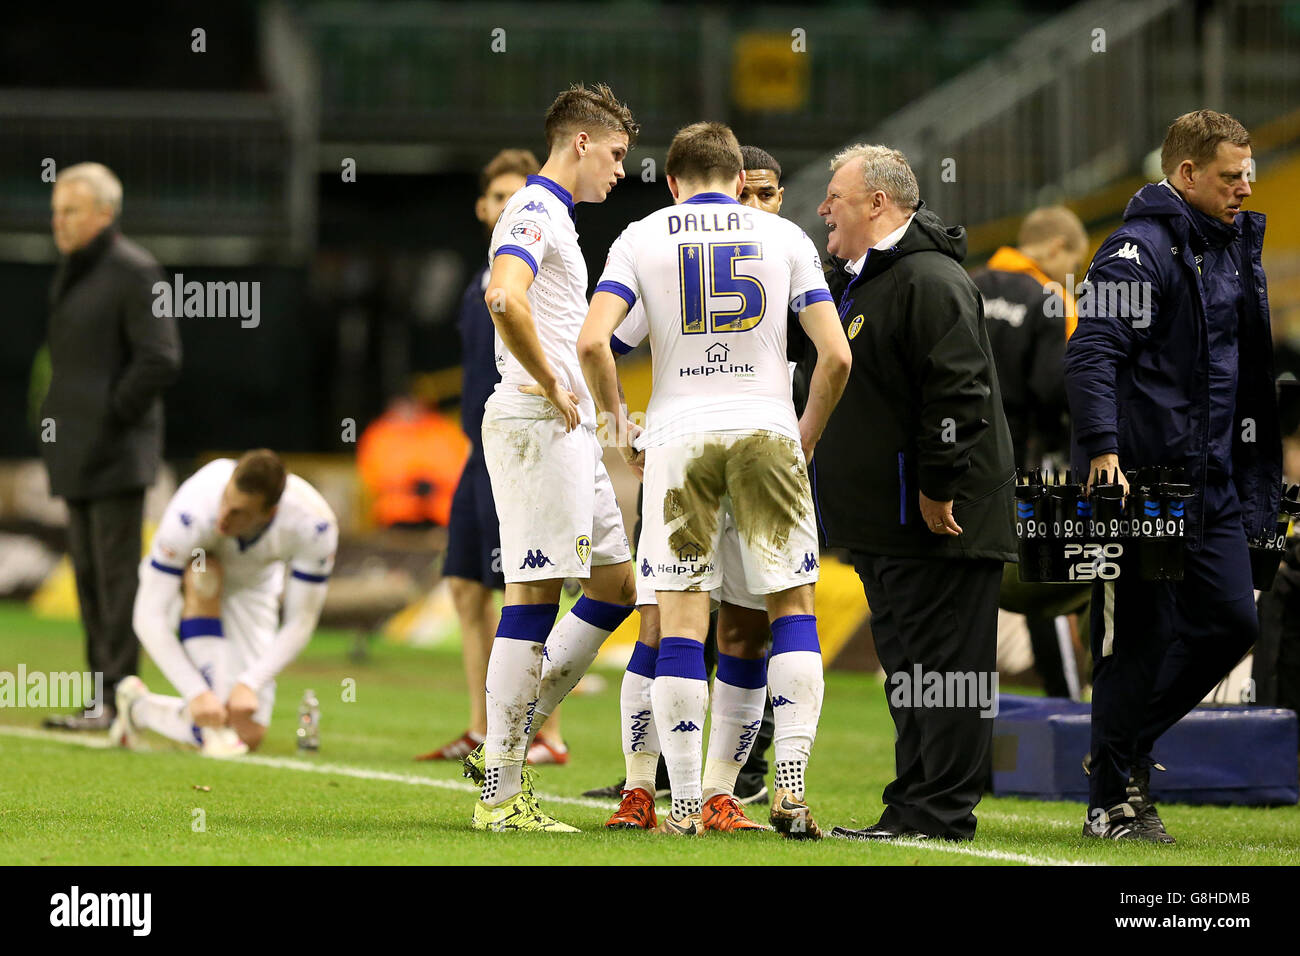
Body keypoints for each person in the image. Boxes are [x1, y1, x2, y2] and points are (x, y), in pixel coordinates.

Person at [579, 121, 851, 837]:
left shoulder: (641, 236)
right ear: (739, 181)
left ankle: (684, 804)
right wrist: (807, 434)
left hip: (678, 437)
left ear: (671, 183)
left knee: (676, 621)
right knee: (787, 612)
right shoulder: (787, 238)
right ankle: (786, 791)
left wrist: (618, 424)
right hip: (766, 431)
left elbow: (592, 340)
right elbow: (837, 356)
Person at [1065, 110, 1280, 842]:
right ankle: (1111, 803)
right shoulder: (1136, 249)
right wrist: (1102, 451)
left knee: (1232, 622)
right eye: (1229, 176)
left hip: (1214, 480)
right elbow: (1092, 350)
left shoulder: (1229, 245)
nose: (1244, 187)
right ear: (1186, 174)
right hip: (1143, 482)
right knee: (1140, 640)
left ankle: (1119, 752)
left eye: (1247, 174)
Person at [807, 145, 1016, 843]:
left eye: (835, 195)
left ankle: (942, 812)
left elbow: (959, 390)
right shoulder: (862, 282)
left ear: (878, 203)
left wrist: (937, 486)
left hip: (938, 522)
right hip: (888, 528)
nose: (822, 208)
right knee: (913, 675)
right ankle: (910, 806)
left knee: (949, 674)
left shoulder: (930, 279)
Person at [462, 83, 640, 833]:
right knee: (532, 598)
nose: (621, 170)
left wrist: (602, 410)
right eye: (617, 154)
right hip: (537, 420)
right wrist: (550, 380)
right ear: (580, 143)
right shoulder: (535, 210)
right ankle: (502, 791)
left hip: (560, 427)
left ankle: (506, 736)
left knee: (617, 584)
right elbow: (504, 299)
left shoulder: (556, 216)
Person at [416, 148, 569, 766]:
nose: (509, 205)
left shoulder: (532, 277)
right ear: (482, 207)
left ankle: (546, 734)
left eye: (518, 194)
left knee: (526, 587)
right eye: (498, 195)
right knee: (463, 586)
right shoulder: (479, 281)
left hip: (520, 445)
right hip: (476, 452)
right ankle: (482, 728)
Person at [40, 162, 182, 731]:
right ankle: (101, 697)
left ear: (105, 213)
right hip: (78, 454)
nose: (59, 222)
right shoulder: (73, 273)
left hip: (116, 454)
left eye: (70, 210)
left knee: (116, 579)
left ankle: (117, 697)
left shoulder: (134, 271)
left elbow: (161, 358)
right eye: (55, 212)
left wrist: (110, 416)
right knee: (90, 581)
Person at [114, 450, 337, 755]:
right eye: (225, 502)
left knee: (245, 735)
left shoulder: (314, 525)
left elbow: (301, 621)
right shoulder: (192, 509)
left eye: (239, 513)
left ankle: (138, 708)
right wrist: (195, 692)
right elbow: (147, 616)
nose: (223, 518)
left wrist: (250, 683)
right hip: (195, 579)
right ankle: (205, 708)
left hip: (254, 590)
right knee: (205, 572)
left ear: (269, 514)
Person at [972, 206, 1091, 700]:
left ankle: (961, 716)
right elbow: (1057, 387)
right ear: (1057, 247)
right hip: (1025, 469)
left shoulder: (965, 285)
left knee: (967, 589)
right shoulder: (1051, 299)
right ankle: (1064, 700)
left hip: (956, 468)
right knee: (1050, 586)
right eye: (1075, 263)